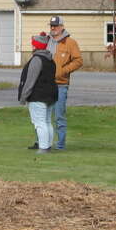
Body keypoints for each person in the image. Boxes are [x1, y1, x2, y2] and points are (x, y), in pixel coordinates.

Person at [45, 15, 83, 151]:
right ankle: (43, 143)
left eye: (55, 26)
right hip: (45, 85)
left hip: (61, 85)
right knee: (44, 116)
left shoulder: (70, 42)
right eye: (51, 26)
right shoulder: (46, 41)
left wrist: (63, 71)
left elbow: (78, 61)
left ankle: (60, 145)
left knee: (59, 116)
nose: (53, 28)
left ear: (62, 27)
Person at [19, 32, 58, 153]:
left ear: (36, 46)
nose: (32, 47)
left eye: (33, 45)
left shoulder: (36, 60)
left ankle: (43, 148)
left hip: (38, 96)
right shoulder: (50, 60)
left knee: (39, 122)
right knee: (46, 121)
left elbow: (30, 80)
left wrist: (23, 96)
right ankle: (48, 145)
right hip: (50, 95)